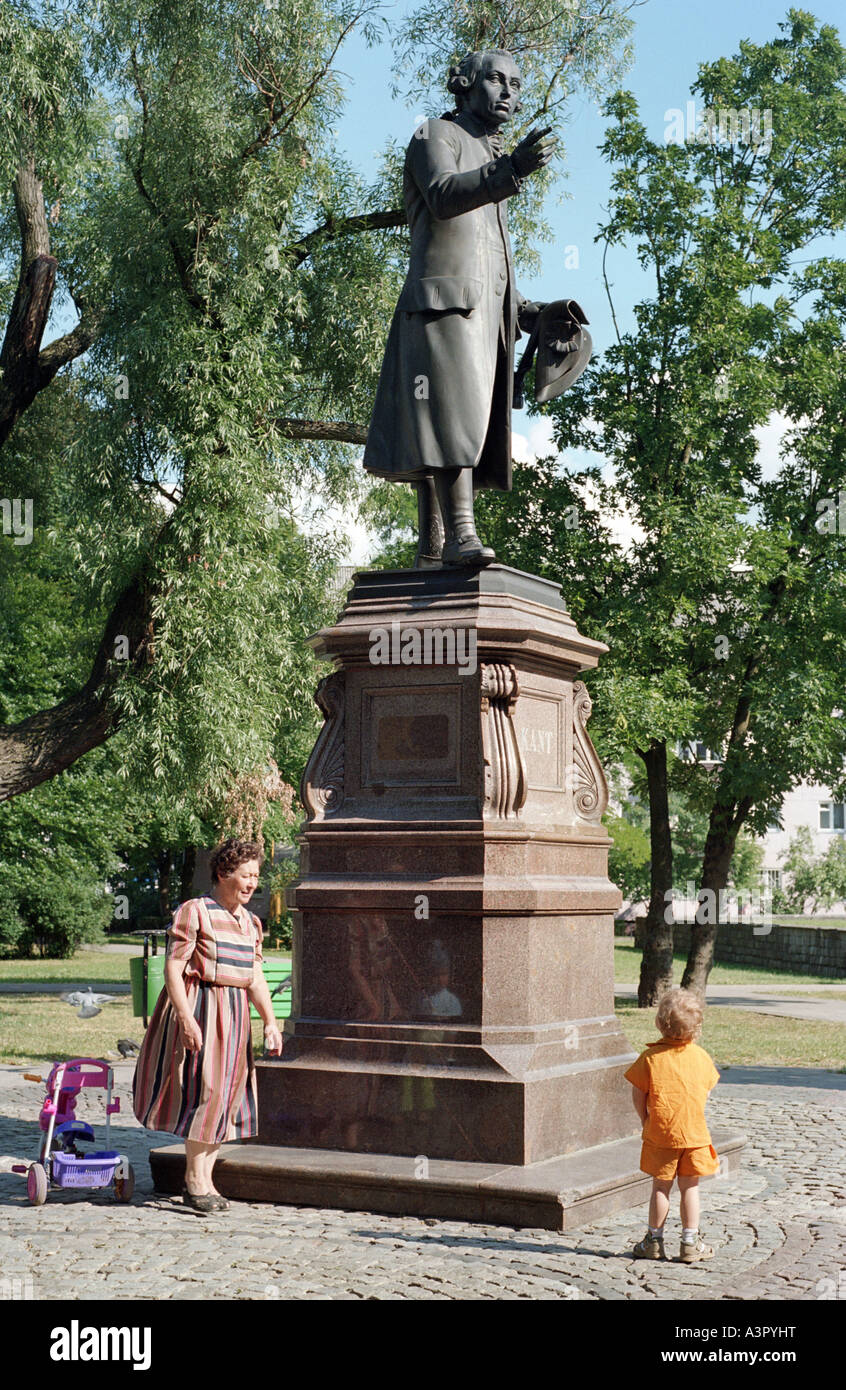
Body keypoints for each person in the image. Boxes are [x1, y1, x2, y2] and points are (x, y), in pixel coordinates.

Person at [362, 49, 557, 567]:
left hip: (481, 312)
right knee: (448, 419)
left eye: (517, 83)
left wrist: (526, 309)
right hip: (442, 307)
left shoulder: (490, 162)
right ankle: (460, 536)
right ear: (465, 84)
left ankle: (434, 551)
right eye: (497, 79)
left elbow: (485, 255)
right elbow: (445, 197)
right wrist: (510, 168)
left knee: (458, 419)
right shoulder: (435, 135)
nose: (509, 92)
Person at [132, 838, 283, 1213]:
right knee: (207, 1092)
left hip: (234, 1013)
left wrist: (270, 1021)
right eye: (245, 875)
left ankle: (207, 1180)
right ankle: (194, 1181)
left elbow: (254, 976)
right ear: (223, 873)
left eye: (255, 877)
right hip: (202, 1007)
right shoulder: (194, 911)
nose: (252, 883)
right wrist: (185, 1018)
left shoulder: (251, 922)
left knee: (228, 1095)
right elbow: (173, 967)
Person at [624, 987, 720, 1262]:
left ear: (659, 1023)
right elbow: (705, 1091)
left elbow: (638, 1094)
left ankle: (654, 1240)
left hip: (661, 1134)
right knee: (690, 1187)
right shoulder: (701, 1057)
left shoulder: (650, 1059)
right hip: (695, 1134)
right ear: (696, 1028)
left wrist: (646, 1120)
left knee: (660, 1187)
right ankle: (690, 1242)